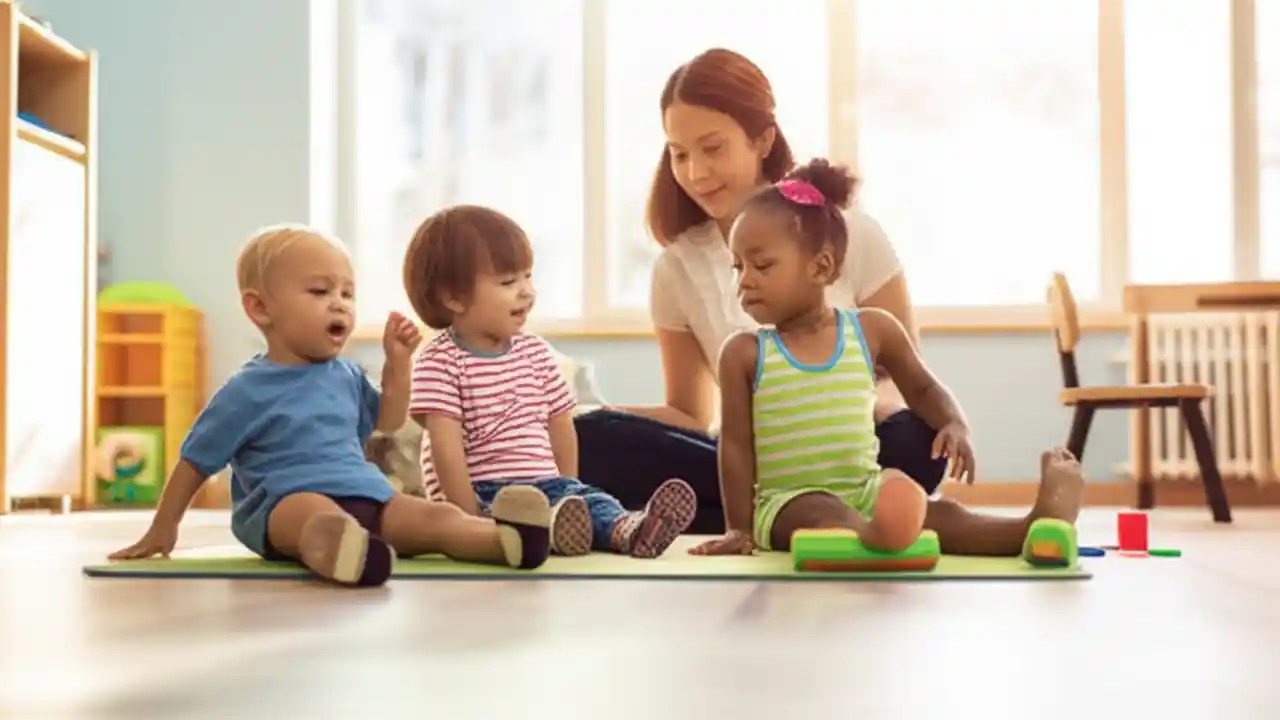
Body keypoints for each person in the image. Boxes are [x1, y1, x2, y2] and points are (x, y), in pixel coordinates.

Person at [573, 47, 948, 534]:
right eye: (679, 154)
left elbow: (904, 375)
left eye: (713, 148)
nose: (695, 173)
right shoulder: (675, 268)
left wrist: (847, 412)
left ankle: (764, 516)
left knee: (919, 438)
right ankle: (786, 515)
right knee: (587, 438)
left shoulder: (851, 233)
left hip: (851, 449)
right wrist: (598, 411)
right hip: (749, 460)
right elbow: (689, 412)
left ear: (763, 139)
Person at [108, 224, 553, 586]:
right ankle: (339, 548)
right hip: (282, 505)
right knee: (311, 514)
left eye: (347, 293)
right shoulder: (246, 390)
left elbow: (389, 420)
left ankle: (506, 540)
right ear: (260, 308)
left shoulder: (347, 374)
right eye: (320, 291)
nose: (339, 304)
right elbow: (196, 461)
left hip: (368, 495)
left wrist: (399, 366)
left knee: (434, 516)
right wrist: (164, 526)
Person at [689, 159, 1084, 556]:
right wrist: (738, 529)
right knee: (818, 509)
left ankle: (1029, 528)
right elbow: (735, 447)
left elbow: (924, 389)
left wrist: (953, 423)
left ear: (820, 267)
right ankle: (877, 533)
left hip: (864, 491)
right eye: (738, 267)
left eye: (762, 265)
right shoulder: (744, 353)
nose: (745, 280)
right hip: (785, 504)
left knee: (942, 513)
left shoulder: (871, 330)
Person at [404, 205, 698, 559]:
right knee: (513, 518)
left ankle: (630, 529)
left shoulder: (536, 353)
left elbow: (561, 426)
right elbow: (445, 448)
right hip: (486, 492)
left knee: (597, 501)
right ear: (454, 297)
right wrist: (466, 518)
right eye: (508, 282)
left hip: (548, 485)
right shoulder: (440, 361)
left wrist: (569, 488)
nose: (526, 292)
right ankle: (551, 532)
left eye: (528, 277)